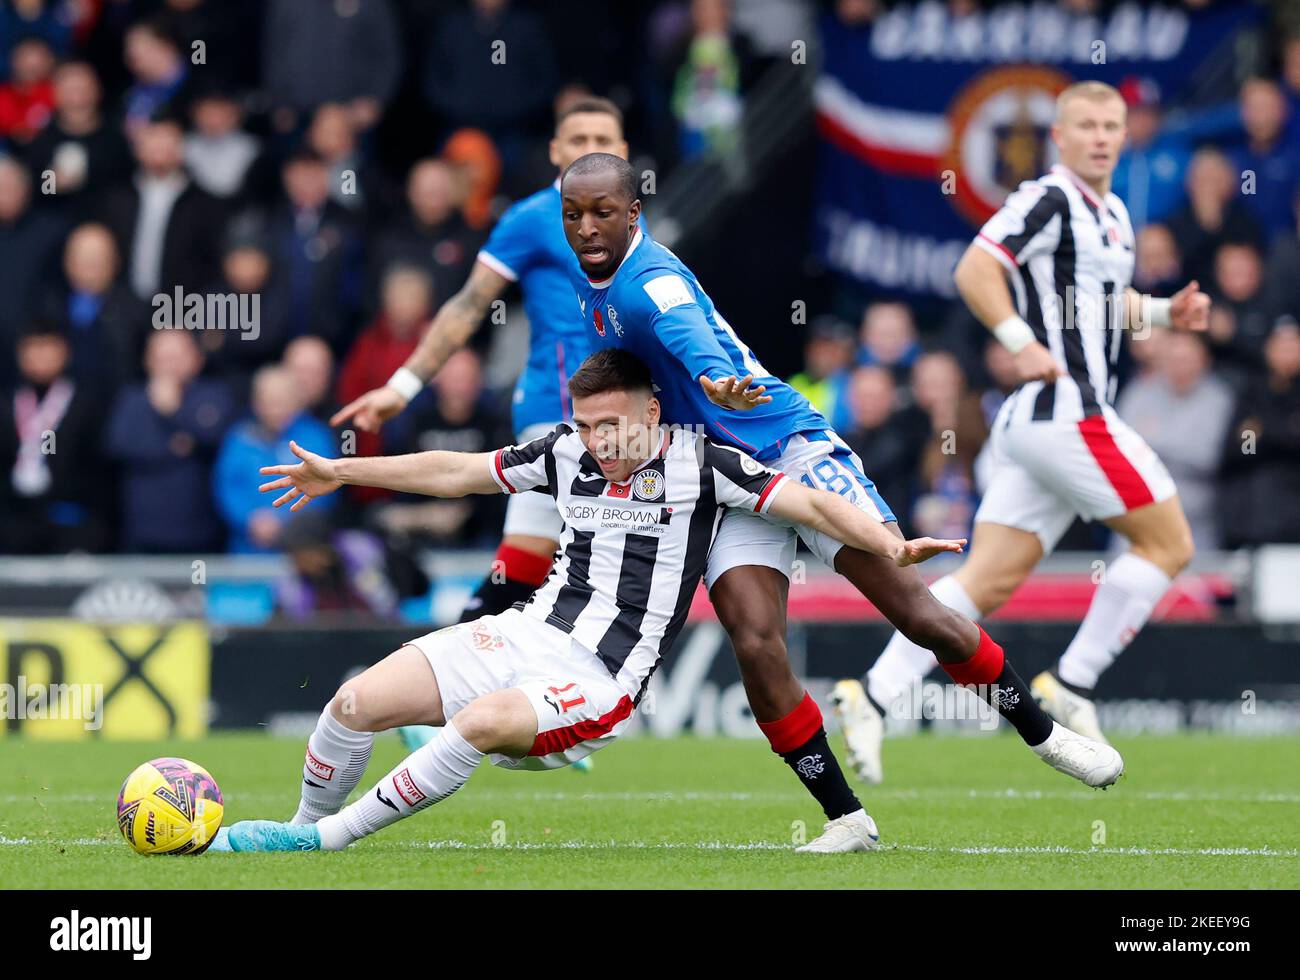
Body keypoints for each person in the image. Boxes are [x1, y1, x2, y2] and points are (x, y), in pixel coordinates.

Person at [556, 152, 1123, 852]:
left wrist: (716, 380)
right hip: (730, 480)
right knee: (756, 643)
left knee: (918, 614)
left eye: (602, 212)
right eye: (573, 214)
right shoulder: (594, 287)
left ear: (633, 213)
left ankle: (1045, 734)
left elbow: (690, 339)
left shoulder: (651, 284)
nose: (586, 227)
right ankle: (847, 818)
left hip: (790, 449)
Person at [211, 349, 965, 853]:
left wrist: (890, 545)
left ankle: (330, 839)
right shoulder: (563, 452)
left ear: (649, 414)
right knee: (352, 703)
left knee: (480, 723)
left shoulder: (706, 465)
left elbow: (812, 505)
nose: (598, 439)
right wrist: (344, 474)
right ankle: (297, 833)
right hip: (524, 634)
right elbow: (454, 471)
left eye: (612, 424)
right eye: (586, 422)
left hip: (600, 679)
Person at [837, 81, 1210, 783]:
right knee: (1171, 542)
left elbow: (1103, 304)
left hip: (1038, 428)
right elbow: (975, 268)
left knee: (985, 580)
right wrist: (1017, 337)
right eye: (1087, 125)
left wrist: (1163, 315)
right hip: (1068, 412)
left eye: (1112, 125)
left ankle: (873, 696)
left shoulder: (1116, 215)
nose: (1101, 136)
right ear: (1059, 138)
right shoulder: (1049, 196)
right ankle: (1073, 680)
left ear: (1125, 135)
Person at [331, 97, 635, 623]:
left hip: (628, 416)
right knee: (585, 559)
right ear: (556, 150)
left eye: (602, 141)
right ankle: (466, 676)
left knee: (527, 560)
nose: (590, 151)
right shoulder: (531, 218)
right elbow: (470, 304)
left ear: (624, 153)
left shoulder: (637, 224)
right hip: (557, 407)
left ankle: (459, 669)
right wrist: (402, 387)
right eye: (578, 141)